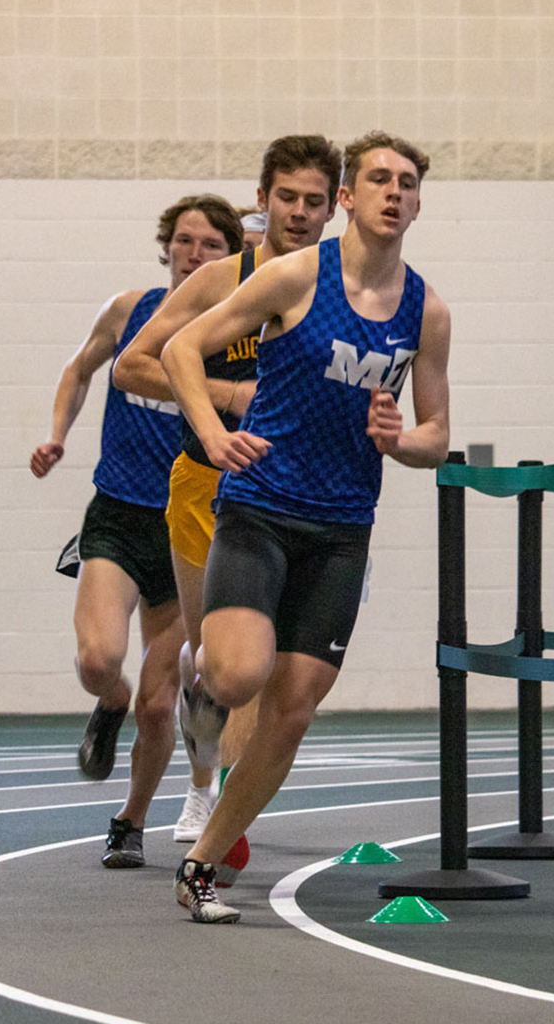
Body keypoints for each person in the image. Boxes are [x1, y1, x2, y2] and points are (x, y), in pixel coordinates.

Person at [159, 132, 452, 922]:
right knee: (239, 676)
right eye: (379, 180)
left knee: (292, 709)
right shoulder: (296, 275)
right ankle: (201, 677)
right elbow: (183, 346)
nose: (394, 192)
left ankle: (201, 862)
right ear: (348, 199)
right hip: (260, 507)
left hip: (342, 528)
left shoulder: (427, 310)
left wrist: (400, 441)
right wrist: (214, 433)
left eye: (408, 182)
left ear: (418, 202)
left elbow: (437, 438)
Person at [112, 136, 342, 863]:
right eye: (288, 199)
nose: (300, 214)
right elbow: (134, 366)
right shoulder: (218, 282)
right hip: (206, 487)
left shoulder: (341, 290)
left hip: (301, 494)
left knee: (263, 670)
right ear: (262, 199)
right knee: (213, 660)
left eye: (315, 202)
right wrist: (230, 394)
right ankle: (204, 767)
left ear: (336, 207)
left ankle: (218, 807)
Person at [29, 194, 242, 869]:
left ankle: (131, 819)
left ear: (230, 254)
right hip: (119, 515)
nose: (195, 253)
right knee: (98, 661)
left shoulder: (235, 329)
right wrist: (56, 435)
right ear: (166, 245)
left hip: (187, 522)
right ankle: (107, 703)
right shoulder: (130, 311)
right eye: (184, 240)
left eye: (211, 244)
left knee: (161, 702)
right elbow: (80, 367)